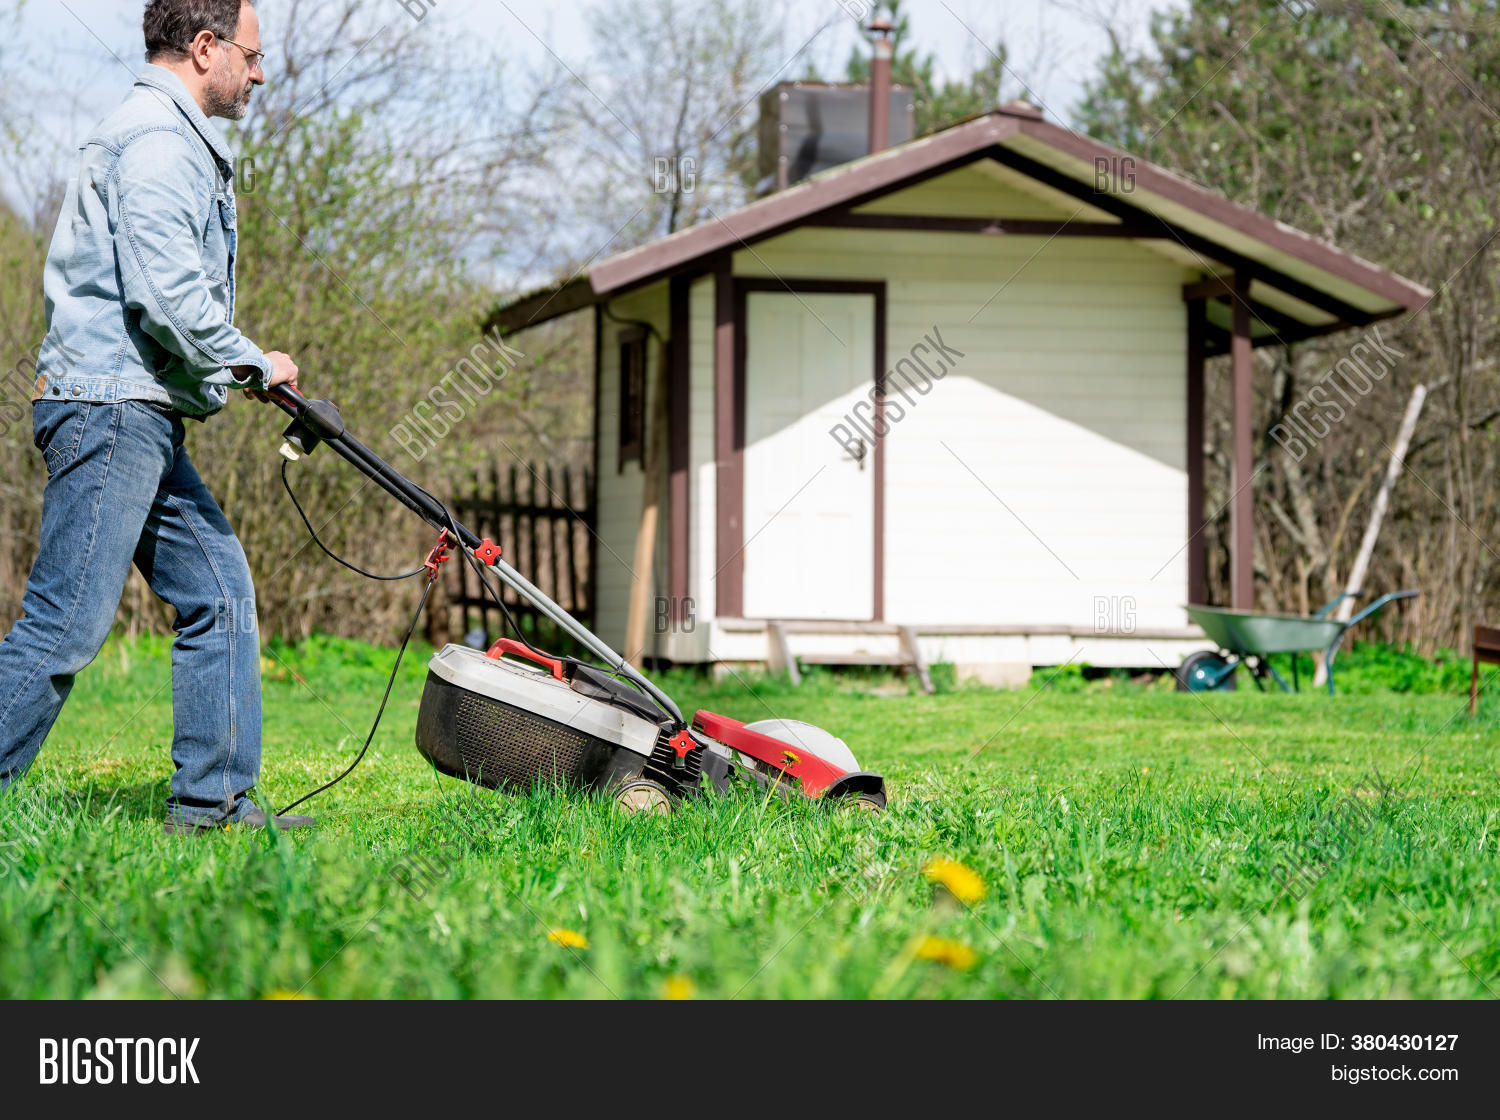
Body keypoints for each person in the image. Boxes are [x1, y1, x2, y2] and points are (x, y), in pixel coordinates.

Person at [0, 0, 313, 835]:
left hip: (137, 409)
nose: (257, 73)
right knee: (64, 624)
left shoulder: (166, 139)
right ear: (204, 46)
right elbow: (167, 293)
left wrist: (228, 366)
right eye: (250, 55)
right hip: (111, 410)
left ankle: (212, 802)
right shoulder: (157, 142)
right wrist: (252, 360)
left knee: (220, 591)